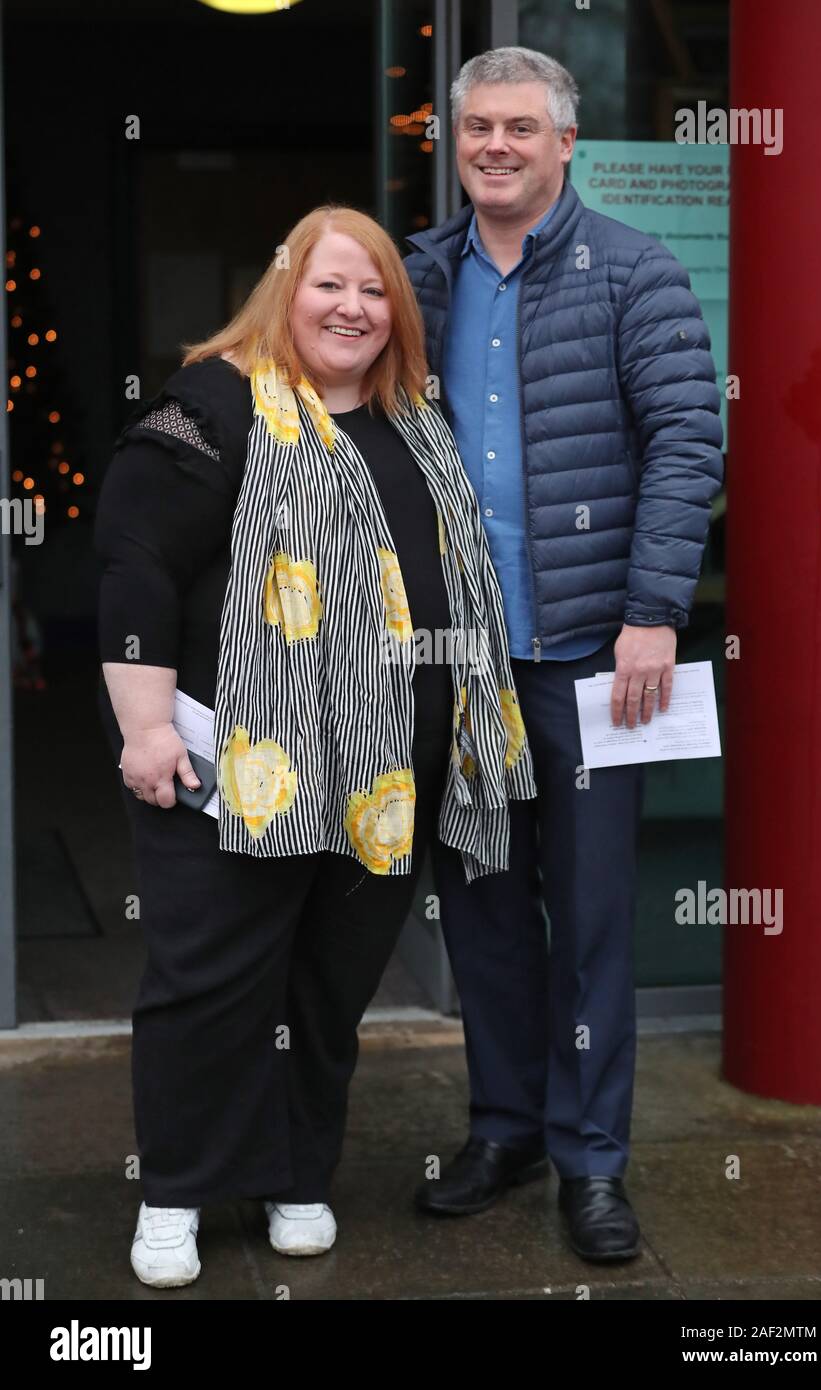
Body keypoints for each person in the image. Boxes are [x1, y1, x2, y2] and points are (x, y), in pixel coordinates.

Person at [94, 204, 535, 1288]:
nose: (353, 307)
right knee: (210, 984)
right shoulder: (216, 405)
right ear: (284, 292)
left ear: (400, 311)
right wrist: (144, 728)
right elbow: (136, 563)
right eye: (330, 285)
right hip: (232, 770)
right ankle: (175, 1195)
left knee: (326, 991)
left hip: (383, 776)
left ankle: (297, 1175)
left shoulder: (414, 419)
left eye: (375, 289)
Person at [405, 47, 724, 1261]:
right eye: (478, 126)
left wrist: (653, 609)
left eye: (520, 128)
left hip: (594, 654)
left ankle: (592, 1161)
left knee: (589, 918)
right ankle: (505, 1126)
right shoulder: (419, 274)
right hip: (461, 664)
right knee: (482, 907)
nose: (495, 145)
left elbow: (689, 439)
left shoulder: (632, 270)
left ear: (565, 144)